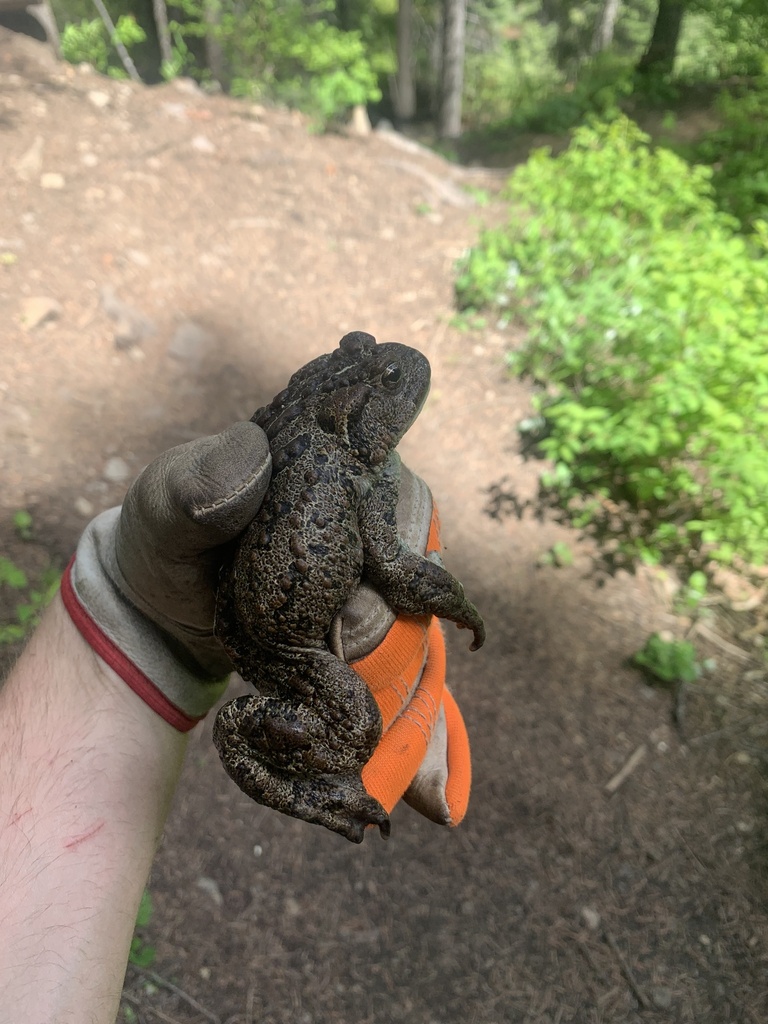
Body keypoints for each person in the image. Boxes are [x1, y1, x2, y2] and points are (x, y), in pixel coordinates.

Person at [0, 422, 471, 1024]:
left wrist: (122, 628)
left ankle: (306, 775)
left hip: (259, 620)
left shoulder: (337, 456)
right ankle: (309, 790)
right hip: (276, 636)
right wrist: (456, 604)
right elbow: (398, 568)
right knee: (355, 723)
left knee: (351, 715)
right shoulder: (349, 467)